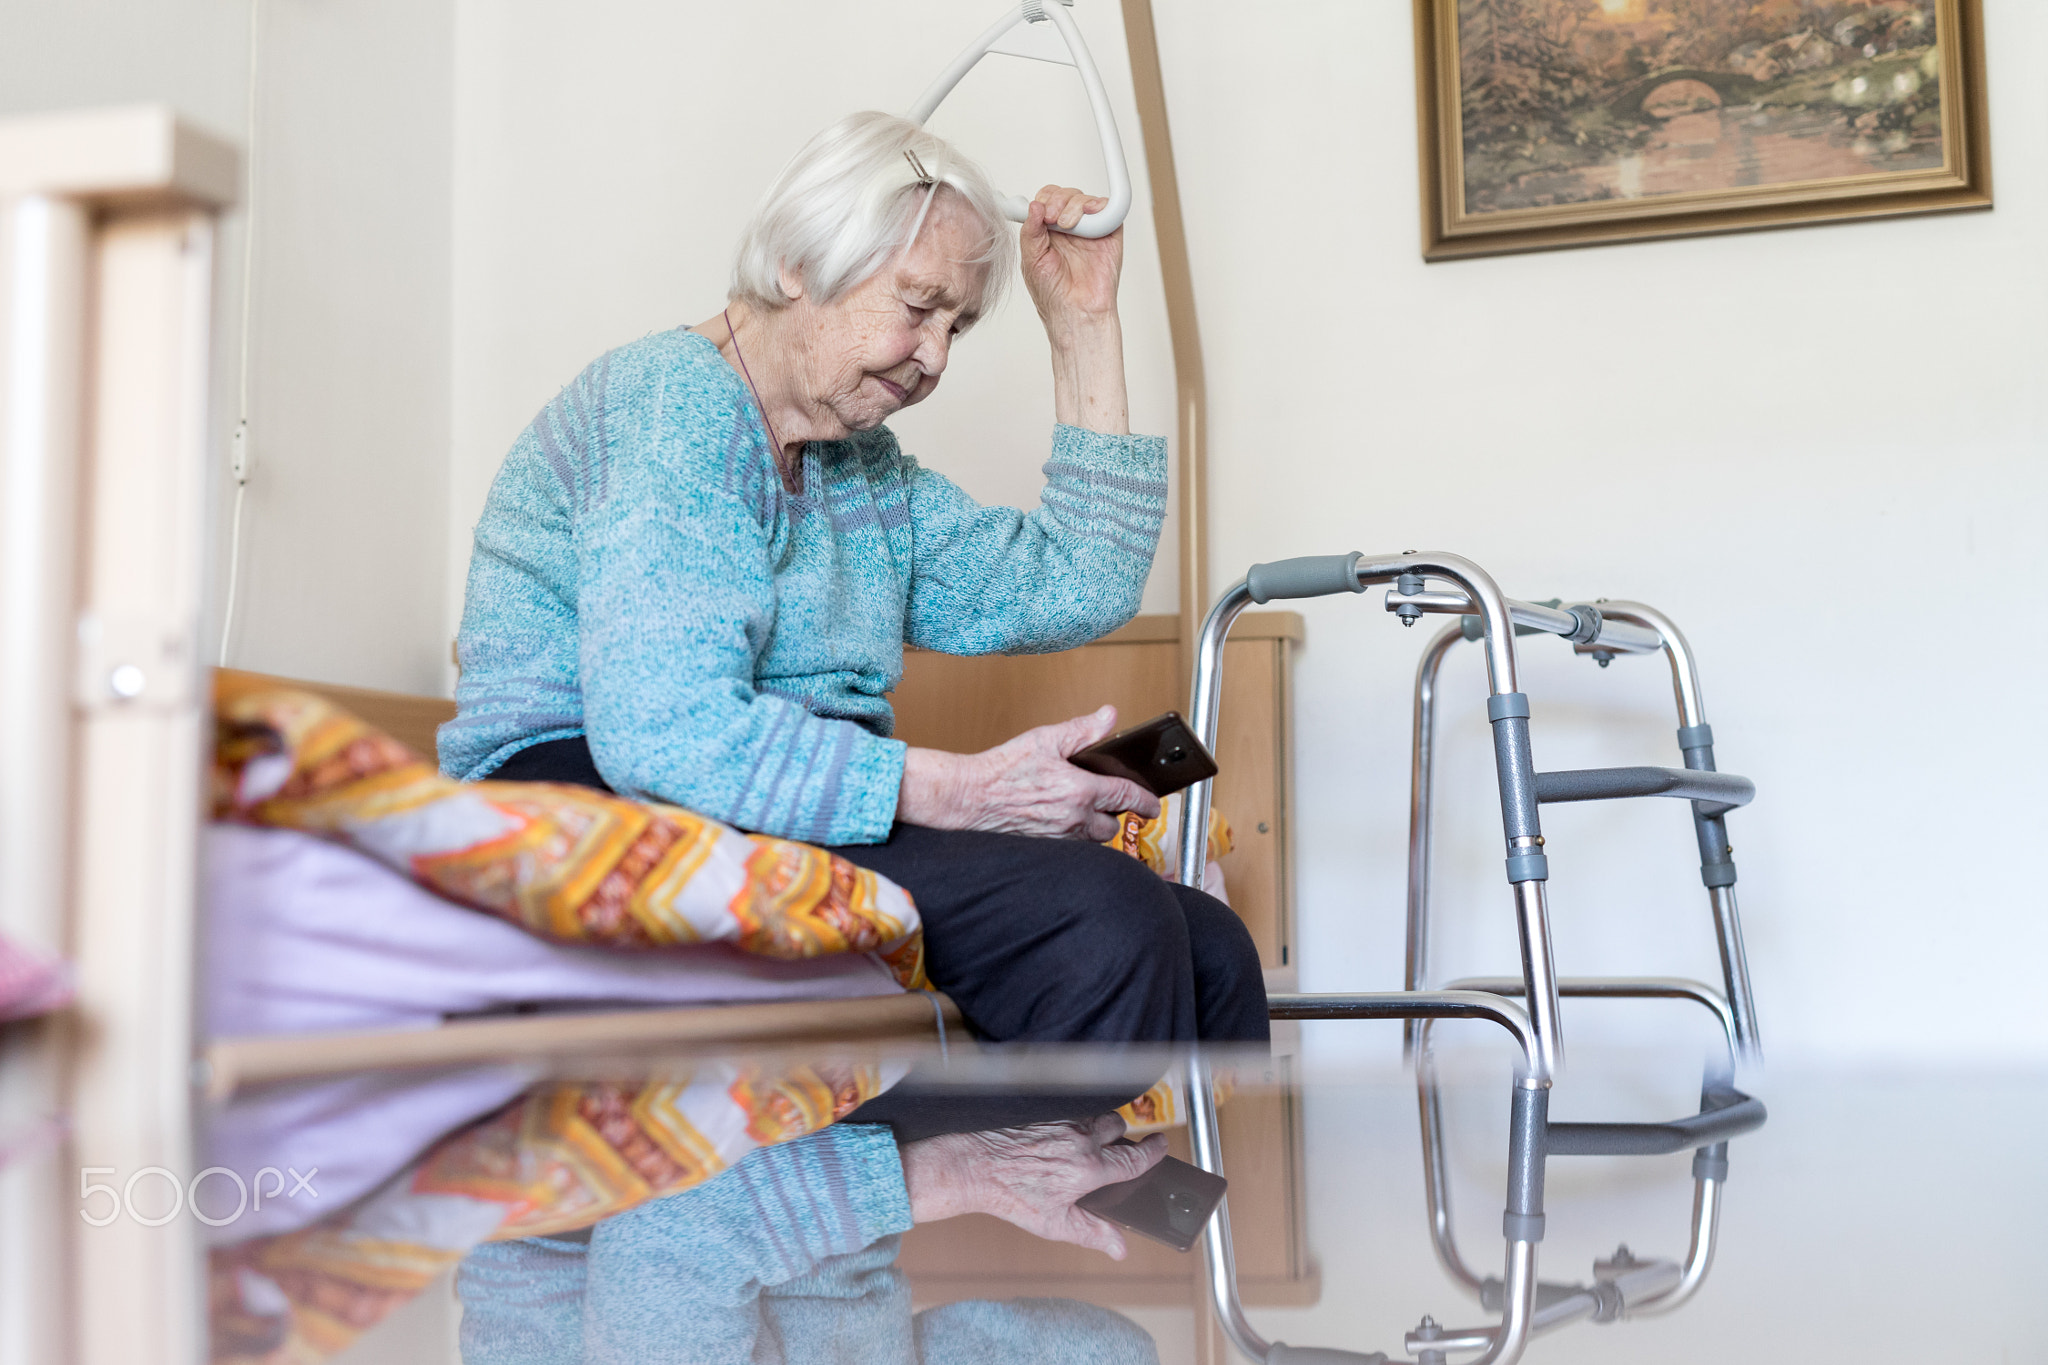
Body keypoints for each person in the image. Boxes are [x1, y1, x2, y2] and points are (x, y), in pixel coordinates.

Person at [439, 111, 1266, 1068]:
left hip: (766, 806)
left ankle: (1148, 1203)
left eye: (956, 325)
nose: (938, 357)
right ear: (799, 264)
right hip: (586, 802)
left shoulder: (860, 470)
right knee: (1099, 917)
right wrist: (969, 790)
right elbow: (667, 735)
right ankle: (1035, 1193)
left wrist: (1083, 326)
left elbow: (1080, 581)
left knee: (1207, 943)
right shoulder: (672, 403)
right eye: (918, 308)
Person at [456, 1114, 1171, 1365]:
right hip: (781, 1149)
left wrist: (969, 1171)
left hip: (600, 1127)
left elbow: (675, 1233)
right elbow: (1116, 1351)